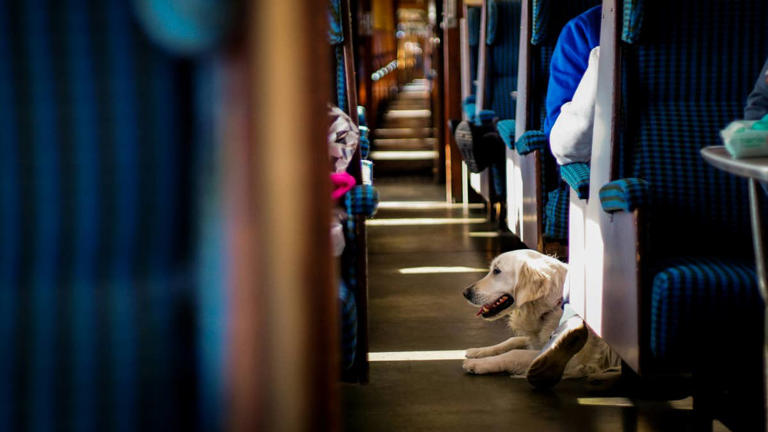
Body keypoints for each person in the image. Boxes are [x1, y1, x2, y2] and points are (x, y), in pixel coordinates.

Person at [524, 5, 602, 389]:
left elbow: (565, 143)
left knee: (587, 187)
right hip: (739, 187)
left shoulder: (590, 30)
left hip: (622, 187)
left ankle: (574, 316)